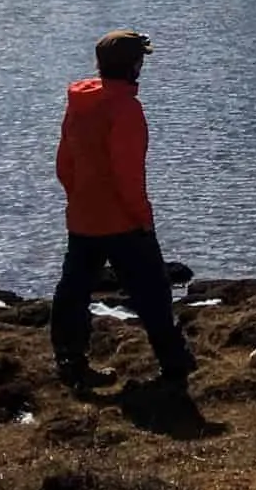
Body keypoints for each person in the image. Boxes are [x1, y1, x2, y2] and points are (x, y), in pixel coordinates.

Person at [50, 29, 195, 393]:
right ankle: (174, 366)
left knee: (73, 293)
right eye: (141, 59)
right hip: (123, 222)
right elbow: (128, 174)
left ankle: (70, 363)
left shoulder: (79, 103)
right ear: (134, 65)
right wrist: (142, 218)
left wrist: (80, 199)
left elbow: (64, 164)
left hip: (83, 218)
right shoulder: (126, 109)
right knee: (154, 293)